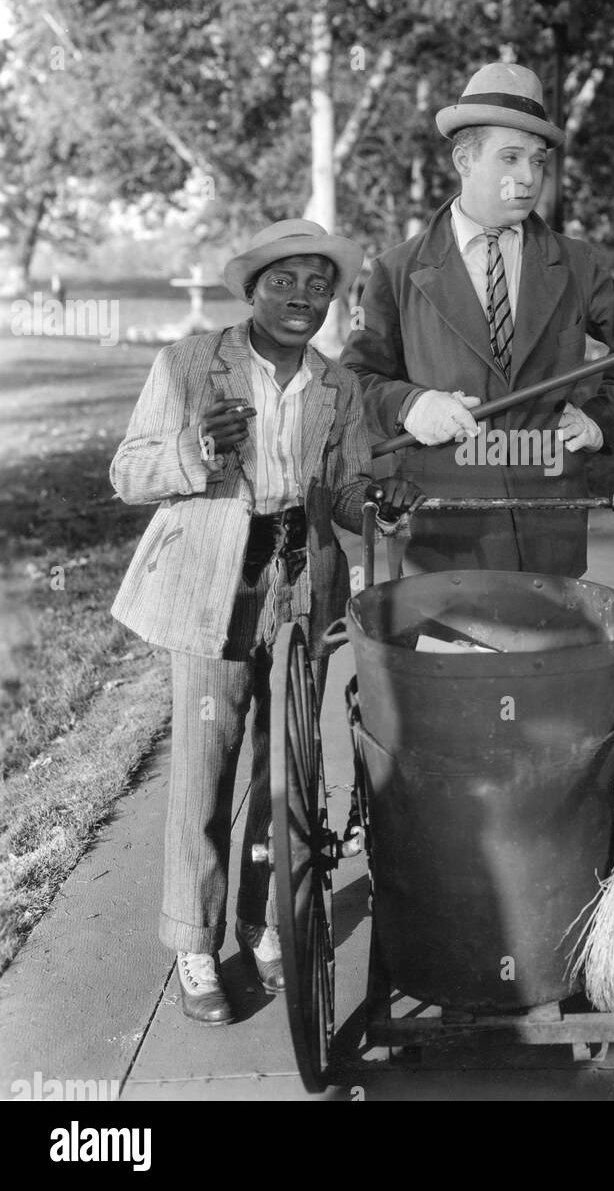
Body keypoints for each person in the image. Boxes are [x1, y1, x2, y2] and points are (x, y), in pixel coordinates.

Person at [110, 219, 423, 1025]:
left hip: (300, 580)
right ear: (251, 290)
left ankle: (261, 922)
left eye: (319, 286)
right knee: (204, 768)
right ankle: (194, 943)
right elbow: (127, 473)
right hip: (215, 577)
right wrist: (195, 451)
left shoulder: (335, 385)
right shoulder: (188, 364)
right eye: (284, 282)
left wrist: (382, 501)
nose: (302, 299)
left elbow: (347, 493)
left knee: (285, 765)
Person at [341, 62, 614, 577]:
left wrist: (601, 419)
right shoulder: (397, 270)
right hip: (442, 531)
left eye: (539, 161)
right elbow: (355, 378)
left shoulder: (573, 262)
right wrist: (411, 404)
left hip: (548, 521)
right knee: (449, 654)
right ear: (464, 159)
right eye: (510, 157)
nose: (529, 177)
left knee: (547, 654)